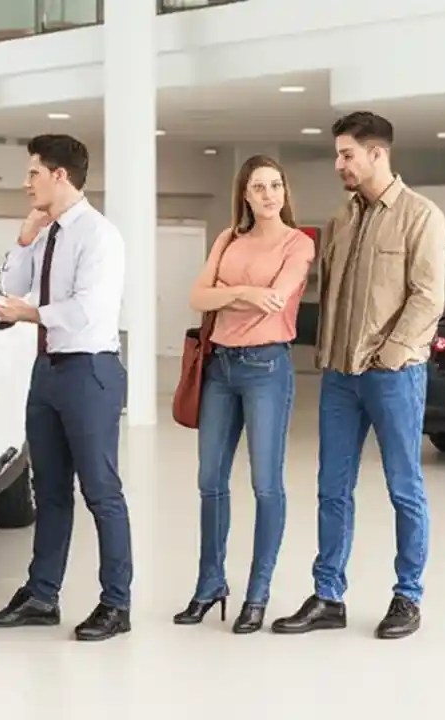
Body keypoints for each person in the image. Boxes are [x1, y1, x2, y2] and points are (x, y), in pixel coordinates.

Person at [272, 111, 445, 640]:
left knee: (404, 487)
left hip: (393, 375)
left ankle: (407, 597)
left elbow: (428, 297)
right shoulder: (341, 220)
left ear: (378, 154)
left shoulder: (422, 216)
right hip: (340, 376)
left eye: (347, 154)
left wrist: (391, 355)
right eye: (338, 154)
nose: (339, 164)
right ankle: (329, 596)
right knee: (332, 487)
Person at [0, 133, 132, 642]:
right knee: (48, 490)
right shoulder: (47, 233)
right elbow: (12, 287)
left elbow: (89, 309)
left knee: (101, 492)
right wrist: (25, 236)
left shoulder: (99, 235)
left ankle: (116, 603)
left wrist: (32, 315)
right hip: (47, 370)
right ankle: (42, 596)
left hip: (89, 371)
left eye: (33, 174)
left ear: (59, 176)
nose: (27, 184)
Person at [174, 155, 315, 634]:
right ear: (246, 194)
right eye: (259, 187)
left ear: (284, 192)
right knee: (210, 481)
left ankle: (257, 594)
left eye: (276, 185)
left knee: (265, 484)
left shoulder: (299, 244)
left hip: (266, 369)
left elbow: (277, 296)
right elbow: (196, 297)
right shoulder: (227, 239)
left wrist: (229, 291)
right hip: (220, 367)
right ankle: (209, 585)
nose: (269, 194)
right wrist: (246, 294)